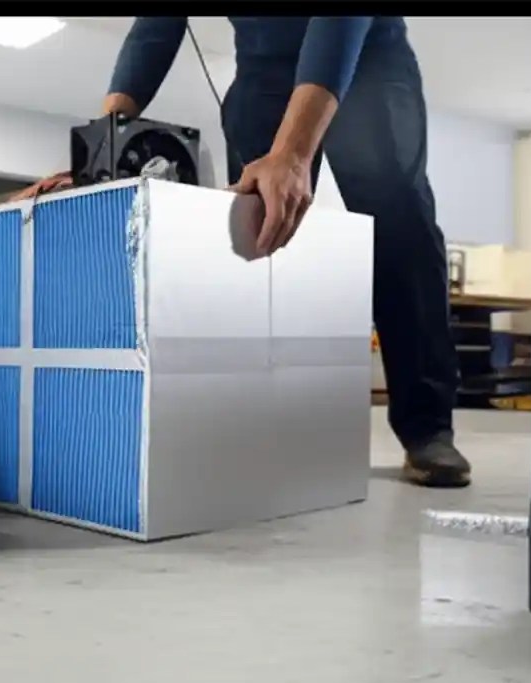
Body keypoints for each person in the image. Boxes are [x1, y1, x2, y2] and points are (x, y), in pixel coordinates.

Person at [104, 17, 471, 488]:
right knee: (256, 226)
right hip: (263, 69)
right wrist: (106, 137)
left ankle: (427, 426)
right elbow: (156, 26)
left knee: (397, 212)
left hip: (366, 54)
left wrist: (294, 152)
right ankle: (263, 415)